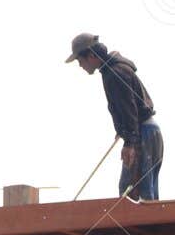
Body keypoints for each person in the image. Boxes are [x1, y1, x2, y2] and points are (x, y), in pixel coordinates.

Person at [66, 32, 163, 202]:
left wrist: (130, 142)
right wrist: (123, 130)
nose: (80, 66)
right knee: (146, 193)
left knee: (131, 195)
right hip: (150, 131)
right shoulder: (115, 70)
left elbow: (129, 108)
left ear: (91, 56)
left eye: (80, 61)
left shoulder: (114, 74)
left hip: (142, 134)